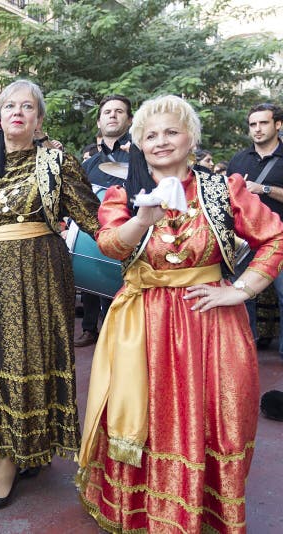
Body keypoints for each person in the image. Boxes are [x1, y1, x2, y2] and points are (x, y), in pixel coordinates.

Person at [77, 95, 283, 533]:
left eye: (172, 131)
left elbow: (275, 238)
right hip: (144, 324)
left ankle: (201, 512)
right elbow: (110, 244)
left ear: (191, 138)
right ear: (139, 144)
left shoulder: (224, 188)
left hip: (210, 325)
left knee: (216, 417)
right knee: (144, 420)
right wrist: (143, 218)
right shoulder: (124, 193)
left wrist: (241, 290)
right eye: (150, 135)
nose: (161, 141)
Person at [0, 79, 100, 514]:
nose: (17, 112)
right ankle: (14, 445)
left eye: (27, 106)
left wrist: (148, 232)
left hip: (36, 279)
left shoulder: (56, 161)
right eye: (9, 105)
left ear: (38, 119)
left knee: (25, 360)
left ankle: (10, 463)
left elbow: (96, 220)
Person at [77, 95, 134, 347]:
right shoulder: (88, 164)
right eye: (107, 112)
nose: (112, 115)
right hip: (95, 237)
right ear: (99, 122)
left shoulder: (141, 158)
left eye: (119, 111)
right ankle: (92, 329)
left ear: (129, 120)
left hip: (131, 239)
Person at [226, 103, 283, 351]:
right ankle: (244, 348)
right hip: (245, 240)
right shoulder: (239, 159)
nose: (257, 129)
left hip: (280, 237)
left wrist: (264, 189)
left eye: (263, 123)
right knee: (241, 294)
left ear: (277, 125)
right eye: (253, 124)